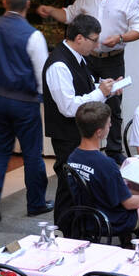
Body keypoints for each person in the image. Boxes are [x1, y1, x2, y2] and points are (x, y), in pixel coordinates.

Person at [38, 0, 139, 163]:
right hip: (87, 58)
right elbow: (69, 15)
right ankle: (85, 142)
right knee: (87, 94)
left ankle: (113, 151)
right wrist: (51, 10)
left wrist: (121, 38)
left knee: (113, 102)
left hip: (112, 57)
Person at [0, 0, 50, 222]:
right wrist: (42, 99)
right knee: (32, 153)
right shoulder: (34, 36)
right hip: (24, 101)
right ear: (28, 5)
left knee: (0, 149)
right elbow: (41, 75)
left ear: (4, 3)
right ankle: (36, 203)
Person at [43, 15, 115, 227]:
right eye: (94, 40)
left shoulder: (79, 58)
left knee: (80, 186)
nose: (97, 44)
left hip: (80, 133)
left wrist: (106, 90)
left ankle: (80, 227)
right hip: (67, 135)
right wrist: (100, 93)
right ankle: (64, 231)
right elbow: (68, 107)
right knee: (69, 185)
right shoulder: (59, 65)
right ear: (80, 38)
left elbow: (85, 88)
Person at [63, 102, 139, 236]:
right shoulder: (107, 164)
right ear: (99, 132)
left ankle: (127, 242)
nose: (110, 125)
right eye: (108, 123)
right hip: (112, 220)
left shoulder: (72, 157)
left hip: (85, 217)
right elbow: (129, 204)